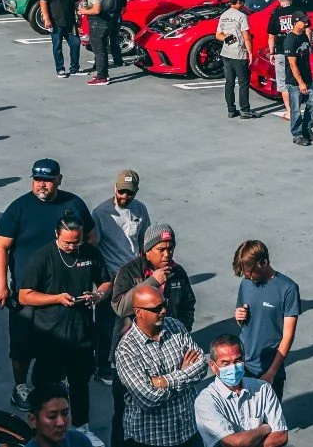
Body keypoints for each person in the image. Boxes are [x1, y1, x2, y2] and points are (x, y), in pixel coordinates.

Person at [0, 159, 97, 409]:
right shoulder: (18, 208)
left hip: (64, 294)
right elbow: (1, 246)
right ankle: (20, 387)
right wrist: (1, 285)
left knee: (61, 342)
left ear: (59, 180)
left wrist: (80, 269)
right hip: (28, 292)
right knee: (21, 345)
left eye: (49, 180)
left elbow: (91, 238)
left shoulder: (73, 204)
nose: (42, 184)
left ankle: (56, 382)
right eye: (38, 179)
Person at [20, 215, 111, 427]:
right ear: (56, 235)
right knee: (45, 385)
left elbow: (106, 281)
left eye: (76, 241)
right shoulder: (43, 257)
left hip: (81, 335)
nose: (71, 246)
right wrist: (57, 298)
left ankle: (82, 427)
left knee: (80, 384)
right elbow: (25, 295)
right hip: (51, 335)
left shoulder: (90, 252)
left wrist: (98, 296)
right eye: (66, 242)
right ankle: (43, 427)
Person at [116, 282, 208, 447]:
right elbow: (148, 398)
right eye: (156, 308)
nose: (164, 310)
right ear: (139, 312)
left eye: (164, 304)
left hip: (189, 431)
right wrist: (184, 374)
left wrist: (163, 381)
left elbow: (201, 366)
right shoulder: (127, 350)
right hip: (151, 439)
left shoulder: (175, 326)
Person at [92, 170, 150, 369]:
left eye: (130, 193)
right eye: (122, 191)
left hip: (135, 274)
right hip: (111, 274)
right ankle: (103, 366)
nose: (125, 197)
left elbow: (144, 240)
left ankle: (127, 360)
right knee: (107, 324)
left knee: (133, 321)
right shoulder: (100, 213)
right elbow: (94, 245)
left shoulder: (140, 210)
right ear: (114, 188)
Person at [231, 240, 301, 399]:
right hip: (243, 366)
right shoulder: (246, 283)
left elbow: (288, 336)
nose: (247, 276)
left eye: (250, 272)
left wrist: (271, 373)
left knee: (270, 422)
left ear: (263, 262)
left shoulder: (288, 289)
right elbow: (241, 319)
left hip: (269, 370)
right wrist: (239, 316)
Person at [194, 334, 288, 447]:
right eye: (226, 363)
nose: (233, 367)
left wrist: (247, 442)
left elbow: (281, 436)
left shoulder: (263, 389)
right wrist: (264, 428)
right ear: (213, 366)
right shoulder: (206, 401)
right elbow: (235, 443)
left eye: (237, 360)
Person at [39, 0, 86, 79]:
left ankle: (74, 68)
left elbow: (77, 1)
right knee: (57, 47)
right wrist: (46, 18)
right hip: (56, 23)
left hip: (70, 22)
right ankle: (60, 69)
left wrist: (80, 16)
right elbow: (43, 2)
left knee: (75, 44)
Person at [214, 0, 254, 120]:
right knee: (243, 83)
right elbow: (246, 37)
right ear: (239, 2)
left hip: (226, 53)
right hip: (238, 54)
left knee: (229, 83)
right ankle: (245, 110)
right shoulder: (242, 16)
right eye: (242, 2)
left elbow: (218, 35)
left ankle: (231, 110)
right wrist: (250, 53)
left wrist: (227, 38)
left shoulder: (224, 15)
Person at [283, 12, 313, 146]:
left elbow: (306, 51)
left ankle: (307, 130)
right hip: (295, 82)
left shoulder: (303, 35)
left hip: (308, 78)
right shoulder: (290, 40)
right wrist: (301, 83)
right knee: (296, 108)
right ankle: (297, 135)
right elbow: (292, 64)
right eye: (304, 21)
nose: (307, 23)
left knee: (312, 104)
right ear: (295, 22)